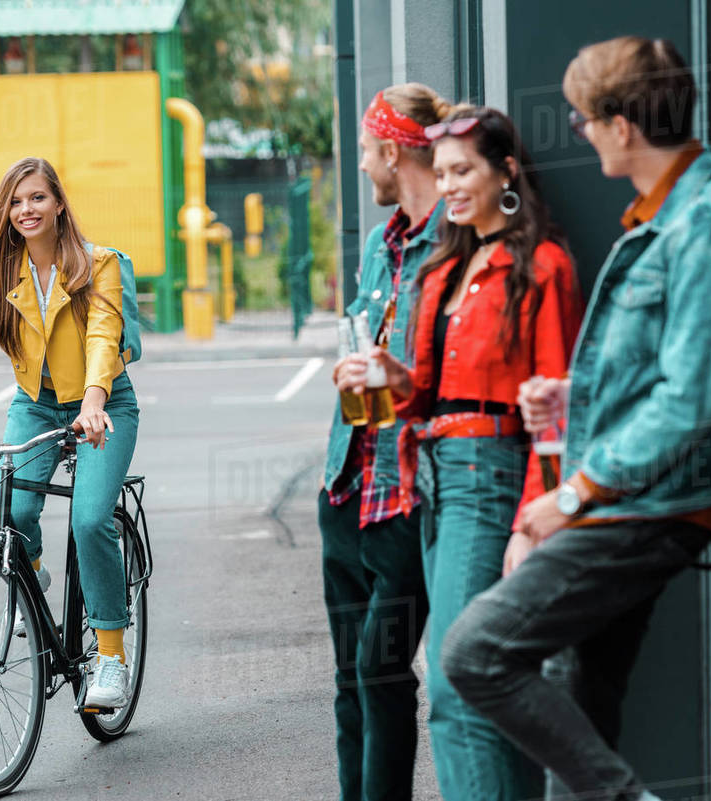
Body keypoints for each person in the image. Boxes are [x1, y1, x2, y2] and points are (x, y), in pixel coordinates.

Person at [438, 37, 711, 801]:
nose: (580, 130)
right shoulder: (663, 219)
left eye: (585, 117)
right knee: (580, 689)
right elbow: (658, 379)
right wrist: (569, 400)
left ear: (623, 126)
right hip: (630, 491)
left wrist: (570, 495)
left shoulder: (710, 230)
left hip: (652, 504)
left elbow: (690, 402)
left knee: (475, 652)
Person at [345, 105, 582, 801]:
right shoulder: (446, 266)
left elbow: (557, 412)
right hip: (435, 480)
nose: (448, 185)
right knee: (483, 685)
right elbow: (421, 399)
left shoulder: (541, 265)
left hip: (494, 478)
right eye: (442, 171)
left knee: (456, 683)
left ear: (505, 170)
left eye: (464, 170)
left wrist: (537, 515)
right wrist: (389, 380)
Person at [0, 156, 140, 710]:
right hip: (35, 405)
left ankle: (111, 656)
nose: (25, 210)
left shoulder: (97, 264)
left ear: (58, 203)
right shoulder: (1, 275)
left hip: (103, 403)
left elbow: (103, 336)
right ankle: (28, 581)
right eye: (15, 201)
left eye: (36, 197)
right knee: (10, 515)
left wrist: (92, 402)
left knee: (89, 521)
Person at [321, 83, 448, 801]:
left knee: (381, 669)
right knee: (350, 679)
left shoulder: (452, 244)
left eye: (367, 152)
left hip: (405, 492)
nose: (364, 167)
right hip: (346, 485)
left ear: (394, 151)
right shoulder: (380, 243)